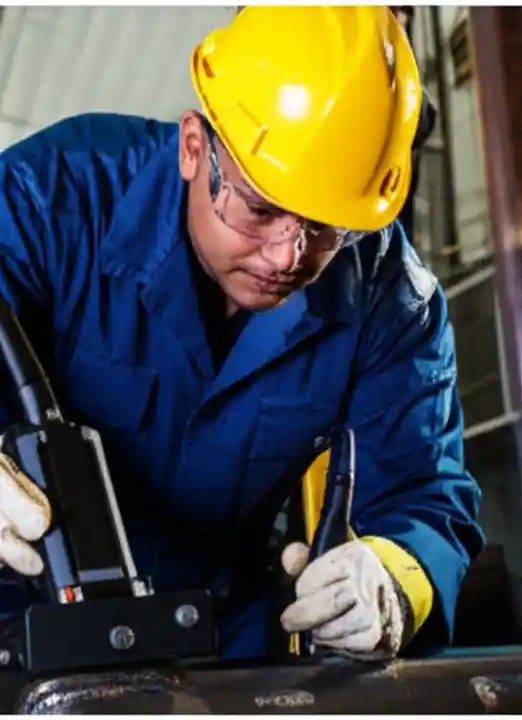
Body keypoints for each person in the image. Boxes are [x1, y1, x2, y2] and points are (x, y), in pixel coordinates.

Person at [0, 6, 483, 660]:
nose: (288, 256)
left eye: (323, 227)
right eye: (260, 210)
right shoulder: (51, 196)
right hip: (19, 614)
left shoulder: (391, 299)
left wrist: (393, 584)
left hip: (223, 644)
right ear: (195, 146)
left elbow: (424, 496)